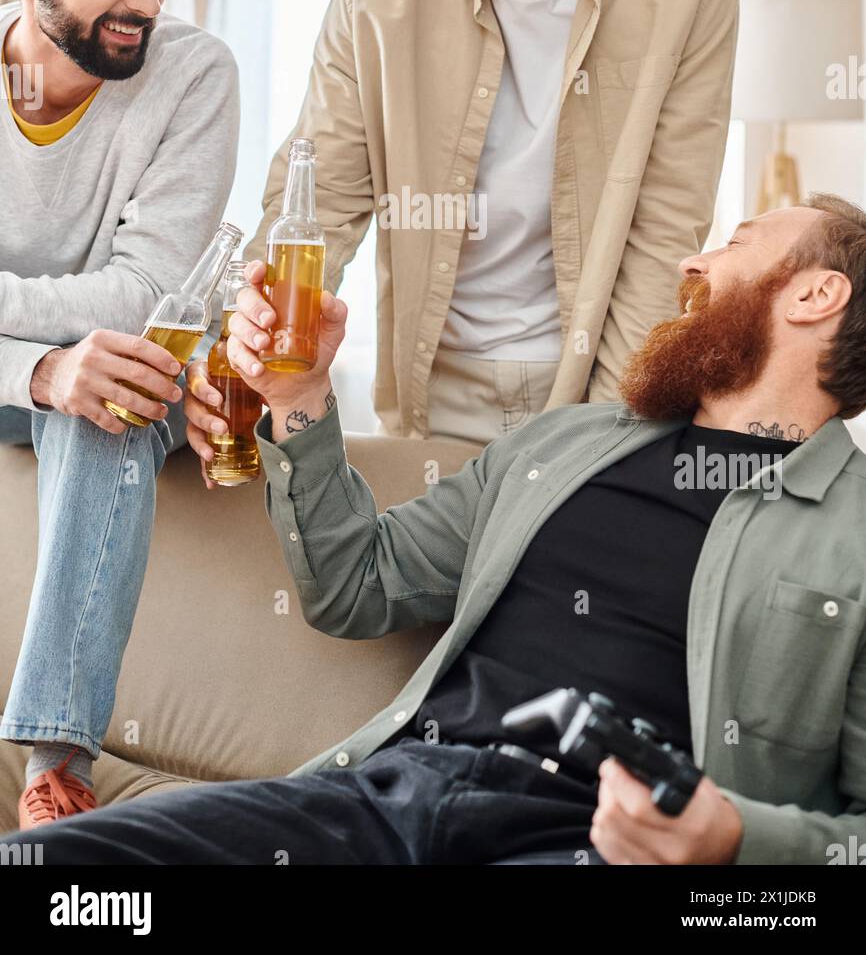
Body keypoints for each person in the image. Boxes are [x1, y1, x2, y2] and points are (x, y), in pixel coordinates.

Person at [12, 191, 866, 864]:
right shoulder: (560, 444)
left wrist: (736, 844)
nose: (694, 259)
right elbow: (357, 586)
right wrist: (301, 400)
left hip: (590, 843)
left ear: (815, 294)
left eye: (736, 242)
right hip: (387, 798)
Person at [243, 0, 739, 447]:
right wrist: (251, 342)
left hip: (592, 385)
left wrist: (599, 438)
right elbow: (320, 200)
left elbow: (664, 230)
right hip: (432, 391)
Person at [0, 0, 240, 827]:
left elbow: (146, 296)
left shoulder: (191, 75)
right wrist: (39, 364)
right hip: (21, 373)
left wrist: (69, 370)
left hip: (150, 369)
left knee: (115, 385)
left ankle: (55, 757)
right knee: (85, 374)